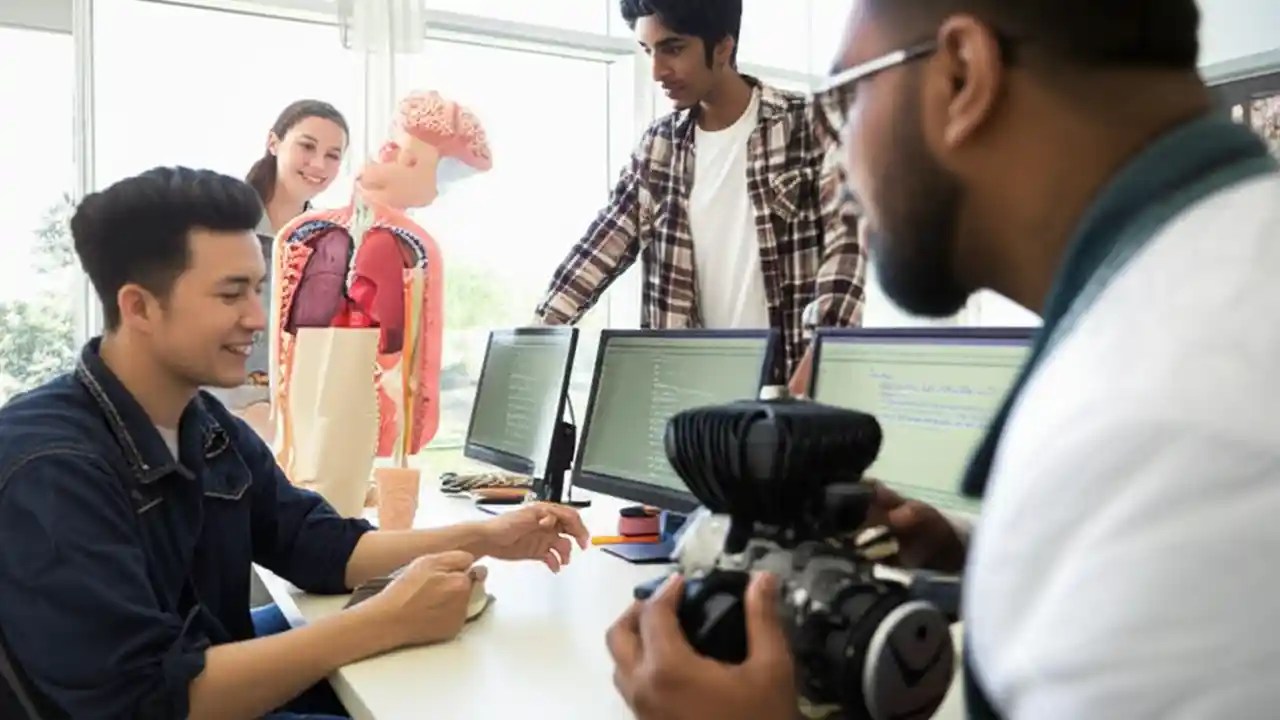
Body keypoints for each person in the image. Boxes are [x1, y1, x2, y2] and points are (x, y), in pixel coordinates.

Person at [607, 0, 1280, 718]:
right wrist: (978, 555)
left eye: (847, 99)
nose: (836, 179)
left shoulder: (1161, 428)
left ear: (962, 76)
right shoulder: (1212, 298)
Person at [0, 166, 590, 720]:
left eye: (258, 290)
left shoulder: (203, 421)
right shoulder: (50, 468)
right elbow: (152, 697)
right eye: (231, 294)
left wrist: (483, 536)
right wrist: (385, 621)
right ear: (139, 307)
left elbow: (314, 547)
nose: (258, 318)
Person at [534, 0, 866, 386]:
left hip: (788, 394)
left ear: (723, 47)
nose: (657, 71)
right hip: (691, 405)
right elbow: (599, 250)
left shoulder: (809, 127)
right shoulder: (659, 148)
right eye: (647, 51)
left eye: (673, 49)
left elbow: (846, 264)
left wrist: (804, 391)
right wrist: (535, 341)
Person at [217, 100, 350, 423]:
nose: (319, 164)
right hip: (216, 415)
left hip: (296, 422)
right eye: (307, 146)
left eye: (333, 155)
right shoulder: (222, 225)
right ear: (274, 143)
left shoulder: (329, 245)